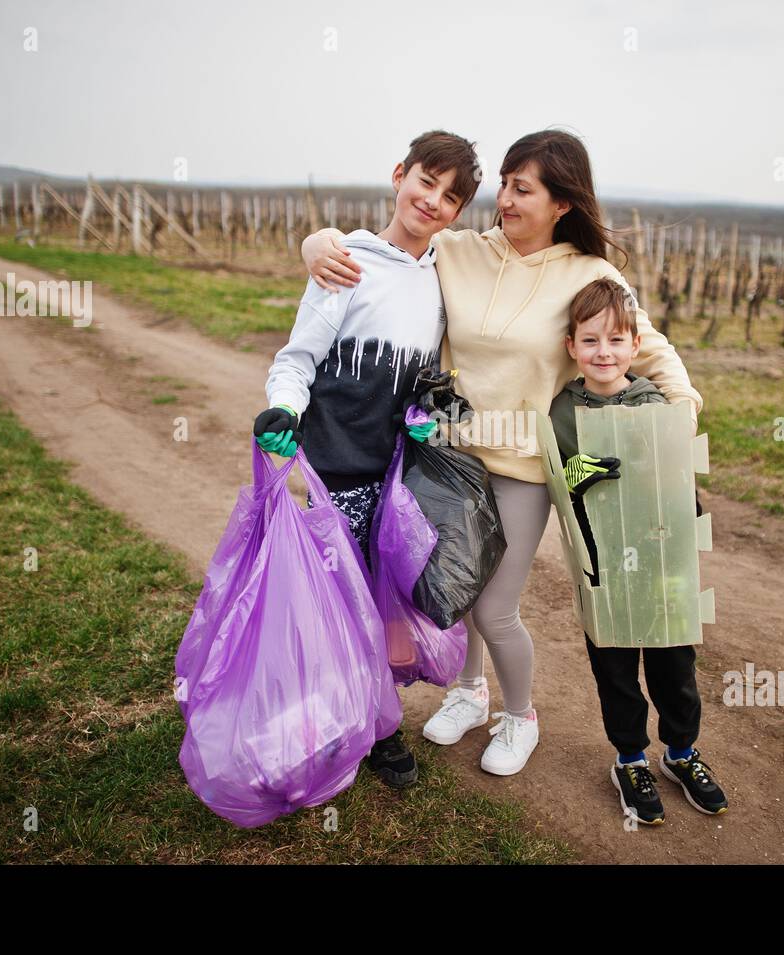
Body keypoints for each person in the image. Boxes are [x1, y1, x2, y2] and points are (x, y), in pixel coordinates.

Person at [301, 129, 702, 777]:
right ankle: (467, 691)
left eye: (524, 189)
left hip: (521, 469)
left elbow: (649, 347)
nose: (505, 199)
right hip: (447, 460)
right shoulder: (458, 251)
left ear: (561, 204)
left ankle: (520, 716)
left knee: (494, 605)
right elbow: (385, 244)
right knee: (452, 589)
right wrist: (318, 242)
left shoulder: (587, 274)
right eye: (506, 183)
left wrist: (680, 413)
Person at [254, 130, 481, 788]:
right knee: (333, 605)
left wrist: (437, 408)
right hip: (336, 475)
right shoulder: (347, 260)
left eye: (450, 196)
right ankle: (327, 725)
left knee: (386, 607)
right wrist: (284, 411)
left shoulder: (443, 276)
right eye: (425, 181)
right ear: (398, 174)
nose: (432, 201)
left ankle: (379, 726)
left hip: (401, 480)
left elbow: (429, 374)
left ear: (460, 210)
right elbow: (298, 359)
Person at [549, 277, 727, 825]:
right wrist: (580, 473)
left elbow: (675, 477)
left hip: (660, 557)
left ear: (634, 346)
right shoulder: (562, 412)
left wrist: (688, 513)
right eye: (592, 341)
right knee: (616, 667)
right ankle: (629, 758)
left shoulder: (656, 403)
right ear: (572, 347)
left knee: (676, 662)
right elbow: (559, 480)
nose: (604, 352)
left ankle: (680, 752)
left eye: (616, 341)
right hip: (604, 560)